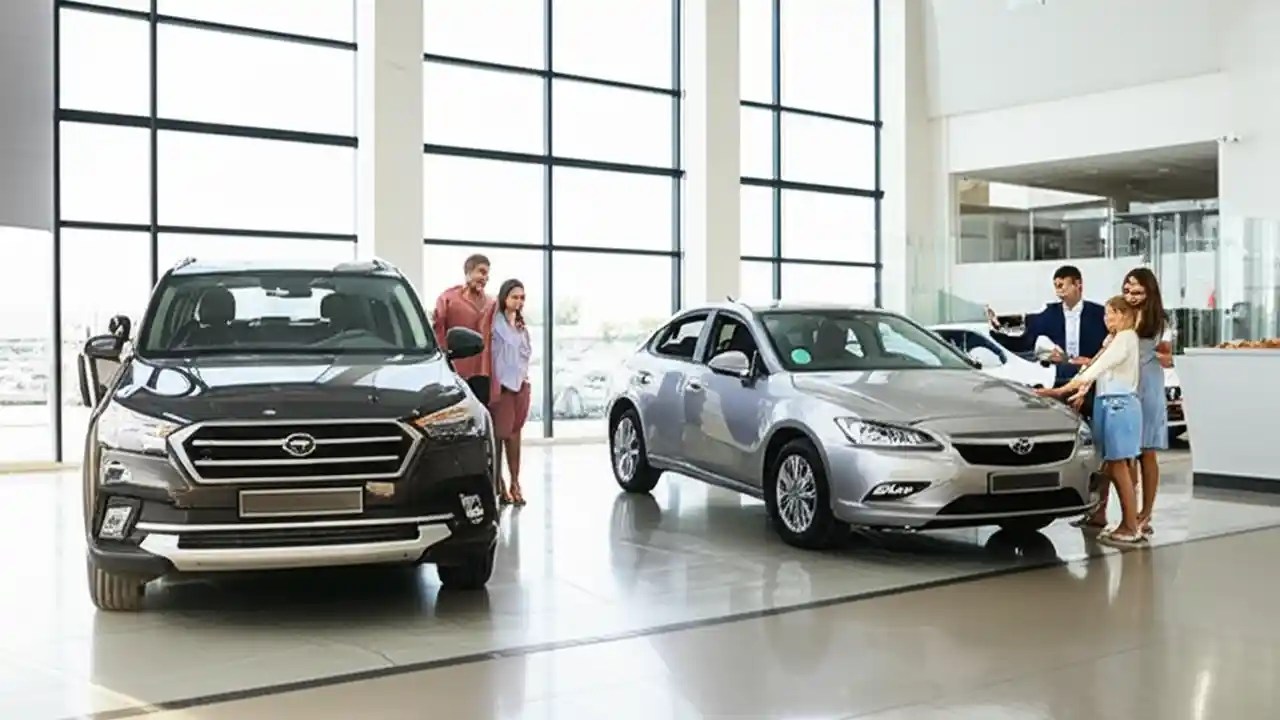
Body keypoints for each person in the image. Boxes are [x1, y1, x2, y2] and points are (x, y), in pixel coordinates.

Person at [1035, 295, 1145, 547]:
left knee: (1119, 466)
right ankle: (1105, 515)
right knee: (1109, 466)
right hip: (1107, 404)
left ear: (1125, 315)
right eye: (1106, 314)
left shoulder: (1126, 338)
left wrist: (1058, 392)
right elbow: (1095, 366)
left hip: (1118, 405)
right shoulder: (1114, 340)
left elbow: (1096, 368)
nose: (1108, 319)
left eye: (1112, 314)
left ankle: (1130, 525)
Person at [986, 265, 1108, 391]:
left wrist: (1092, 362)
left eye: (1061, 285)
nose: (1058, 290)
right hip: (1058, 378)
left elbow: (1111, 346)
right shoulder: (1049, 313)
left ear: (1077, 284)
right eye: (1055, 286)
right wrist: (998, 324)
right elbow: (1027, 329)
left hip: (1093, 380)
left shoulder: (1100, 313)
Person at [480, 279, 532, 507]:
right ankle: (499, 483)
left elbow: (524, 355)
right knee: (500, 436)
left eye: (522, 298)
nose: (519, 302)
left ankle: (515, 482)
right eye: (515, 297)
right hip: (501, 388)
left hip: (519, 386)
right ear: (504, 298)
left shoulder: (520, 326)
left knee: (515, 436)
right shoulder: (494, 324)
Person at [432, 254, 494, 402]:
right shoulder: (448, 299)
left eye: (487, 274)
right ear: (468, 273)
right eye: (482, 272)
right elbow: (438, 333)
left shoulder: (492, 303)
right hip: (456, 372)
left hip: (483, 373)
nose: (485, 278)